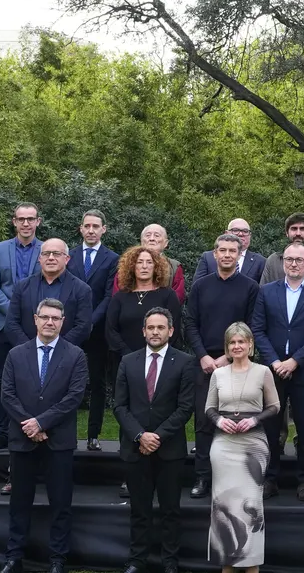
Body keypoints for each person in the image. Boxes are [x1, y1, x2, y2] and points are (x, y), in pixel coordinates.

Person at [0, 298, 87, 573]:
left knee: (60, 503)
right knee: (19, 502)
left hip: (58, 440)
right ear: (35, 319)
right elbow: (7, 394)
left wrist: (41, 422)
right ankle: (14, 557)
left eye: (56, 318)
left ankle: (58, 560)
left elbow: (74, 397)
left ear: (63, 322)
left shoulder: (75, 355)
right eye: (45, 317)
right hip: (23, 439)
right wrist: (30, 425)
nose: (50, 322)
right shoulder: (16, 354)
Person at [113, 306, 198, 573]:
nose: (155, 332)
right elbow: (119, 406)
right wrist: (140, 435)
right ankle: (137, 560)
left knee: (170, 509)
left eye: (161, 327)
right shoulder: (128, 361)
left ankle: (169, 561)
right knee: (139, 509)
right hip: (135, 447)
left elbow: (185, 408)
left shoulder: (185, 362)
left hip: (169, 449)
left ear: (171, 331)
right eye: (151, 327)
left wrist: (157, 436)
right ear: (143, 331)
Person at [250, 242, 304, 500]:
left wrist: (295, 361)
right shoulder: (266, 291)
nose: (294, 264)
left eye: (299, 259)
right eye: (289, 259)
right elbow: (258, 329)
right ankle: (270, 478)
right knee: (271, 429)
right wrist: (275, 361)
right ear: (282, 262)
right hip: (272, 372)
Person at [184, 233, 261, 499]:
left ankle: (234, 478)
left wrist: (228, 357)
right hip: (204, 363)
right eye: (222, 250)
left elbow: (252, 325)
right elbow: (190, 323)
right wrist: (204, 356)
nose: (227, 255)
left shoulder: (250, 287)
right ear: (214, 254)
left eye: (232, 251)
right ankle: (203, 477)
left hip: (238, 362)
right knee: (205, 422)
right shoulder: (201, 286)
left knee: (236, 419)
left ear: (239, 255)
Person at [205, 322, 278, 572]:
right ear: (227, 347)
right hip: (224, 446)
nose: (237, 346)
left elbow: (275, 406)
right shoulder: (218, 374)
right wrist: (220, 420)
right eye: (232, 343)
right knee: (224, 507)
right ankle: (228, 563)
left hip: (253, 445)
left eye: (241, 342)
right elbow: (209, 408)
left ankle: (250, 564)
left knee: (250, 506)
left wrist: (254, 419)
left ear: (250, 345)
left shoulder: (263, 372)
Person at [0, 204, 44, 451]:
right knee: (2, 381)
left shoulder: (47, 250)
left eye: (30, 219)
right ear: (14, 222)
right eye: (21, 219)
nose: (25, 224)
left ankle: (35, 428)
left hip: (36, 326)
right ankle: (1, 432)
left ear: (38, 222)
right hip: (3, 325)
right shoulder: (0, 249)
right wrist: (13, 311)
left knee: (36, 381)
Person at [69, 210, 120, 451]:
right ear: (81, 229)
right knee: (66, 380)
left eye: (95, 226)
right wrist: (79, 322)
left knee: (97, 383)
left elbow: (110, 294)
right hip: (71, 328)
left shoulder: (113, 259)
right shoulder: (69, 255)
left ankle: (93, 434)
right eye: (87, 226)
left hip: (98, 330)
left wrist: (90, 321)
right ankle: (65, 433)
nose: (91, 230)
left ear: (103, 229)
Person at [10, 239, 96, 349]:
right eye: (46, 254)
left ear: (67, 259)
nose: (51, 258)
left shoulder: (82, 289)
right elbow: (12, 323)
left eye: (56, 254)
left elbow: (83, 327)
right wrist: (30, 350)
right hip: (26, 356)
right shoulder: (22, 287)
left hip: (65, 357)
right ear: (40, 259)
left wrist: (57, 350)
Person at [107, 246, 181, 358]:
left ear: (156, 266)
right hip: (124, 360)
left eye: (149, 262)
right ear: (132, 266)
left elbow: (174, 329)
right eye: (139, 262)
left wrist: (155, 354)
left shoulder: (168, 295)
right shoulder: (120, 297)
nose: (144, 266)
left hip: (159, 360)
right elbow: (110, 330)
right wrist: (129, 356)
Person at [197, 219, 268, 284]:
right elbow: (198, 286)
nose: (241, 234)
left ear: (250, 235)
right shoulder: (208, 257)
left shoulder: (260, 261)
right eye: (235, 230)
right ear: (226, 233)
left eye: (245, 231)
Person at [140, 224, 187, 302]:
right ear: (141, 241)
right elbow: (119, 293)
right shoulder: (128, 264)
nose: (152, 239)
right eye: (148, 235)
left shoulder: (174, 266)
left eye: (157, 236)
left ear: (166, 243)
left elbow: (178, 297)